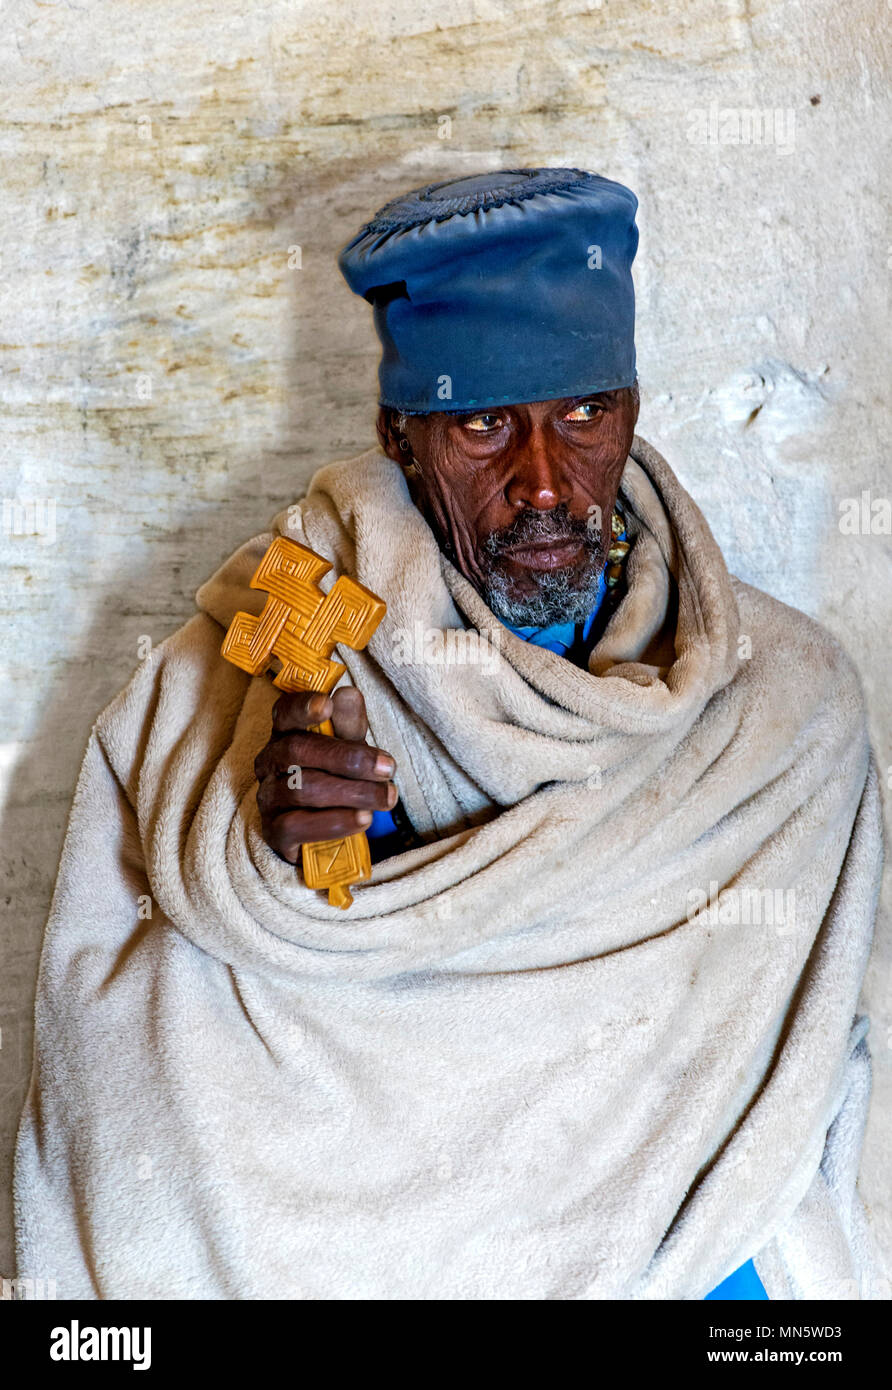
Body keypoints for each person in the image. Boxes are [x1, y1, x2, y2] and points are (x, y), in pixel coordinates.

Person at [15, 169, 882, 1301]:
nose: (543, 485)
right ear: (402, 434)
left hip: (679, 1241)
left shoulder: (785, 709)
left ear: (629, 408)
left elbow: (803, 1074)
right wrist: (263, 846)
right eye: (482, 424)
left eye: (584, 414)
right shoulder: (266, 651)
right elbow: (132, 1079)